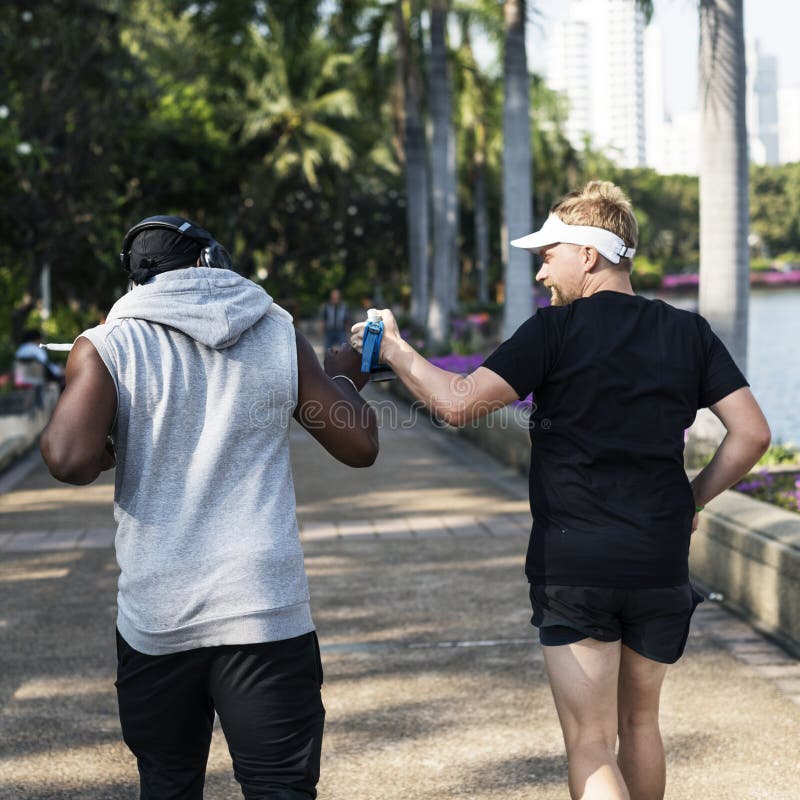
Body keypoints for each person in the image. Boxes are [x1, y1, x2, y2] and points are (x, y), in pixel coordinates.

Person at [351, 181, 771, 800]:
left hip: (576, 564)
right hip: (659, 564)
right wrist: (692, 499)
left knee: (591, 744)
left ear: (590, 255)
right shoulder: (689, 333)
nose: (542, 269)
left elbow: (456, 403)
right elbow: (752, 434)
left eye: (550, 254)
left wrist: (393, 347)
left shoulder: (554, 332)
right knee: (641, 724)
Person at [40, 215, 378, 799]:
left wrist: (111, 431)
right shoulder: (274, 330)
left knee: (168, 784)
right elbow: (358, 443)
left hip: (158, 615)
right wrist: (339, 378)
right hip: (263, 610)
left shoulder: (109, 345)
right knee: (280, 788)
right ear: (209, 261)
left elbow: (69, 457)